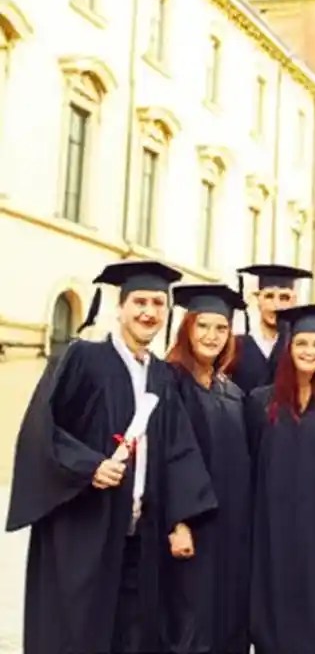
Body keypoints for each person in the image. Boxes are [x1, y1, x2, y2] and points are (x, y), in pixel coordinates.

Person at [6, 260, 217, 654]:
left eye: (158, 303)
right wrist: (88, 466)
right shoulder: (82, 359)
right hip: (82, 532)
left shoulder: (161, 377)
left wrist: (181, 519)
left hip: (139, 537)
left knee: (133, 636)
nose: (149, 312)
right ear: (120, 307)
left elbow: (179, 451)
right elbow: (41, 430)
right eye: (140, 302)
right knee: (76, 634)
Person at [244, 304, 315, 654]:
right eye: (302, 343)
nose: (310, 351)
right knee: (274, 621)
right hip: (271, 531)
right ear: (288, 348)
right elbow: (247, 465)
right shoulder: (260, 402)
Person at [165, 284, 254, 654]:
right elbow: (165, 457)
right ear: (187, 328)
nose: (211, 336)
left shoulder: (231, 392)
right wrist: (177, 523)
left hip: (232, 530)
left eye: (221, 328)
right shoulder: (169, 381)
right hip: (192, 528)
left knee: (229, 620)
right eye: (203, 325)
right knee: (192, 623)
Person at [228, 264, 311, 394]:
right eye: (269, 296)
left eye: (284, 298)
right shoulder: (235, 345)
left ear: (293, 302)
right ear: (257, 300)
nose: (276, 305)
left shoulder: (301, 348)